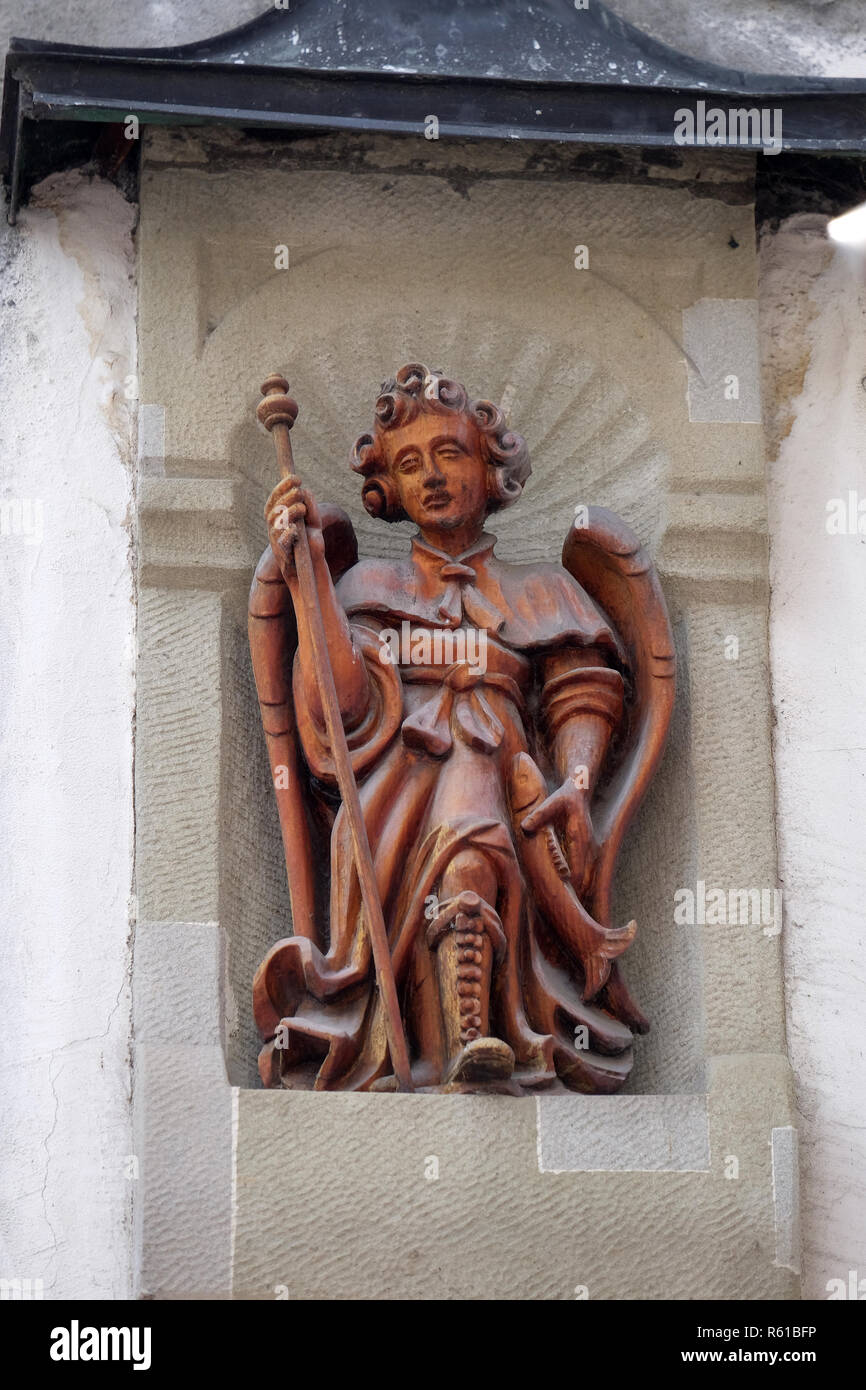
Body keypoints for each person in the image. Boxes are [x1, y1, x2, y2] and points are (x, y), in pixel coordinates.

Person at [251, 363, 672, 1093]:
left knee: (480, 775)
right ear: (390, 486)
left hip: (513, 790)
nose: (433, 477)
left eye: (450, 454)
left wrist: (575, 781)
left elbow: (584, 693)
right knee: (467, 777)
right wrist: (308, 580)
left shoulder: (542, 590)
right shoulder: (367, 588)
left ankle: (473, 1026)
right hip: (390, 798)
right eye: (410, 465)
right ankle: (455, 1029)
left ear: (490, 466)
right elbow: (340, 715)